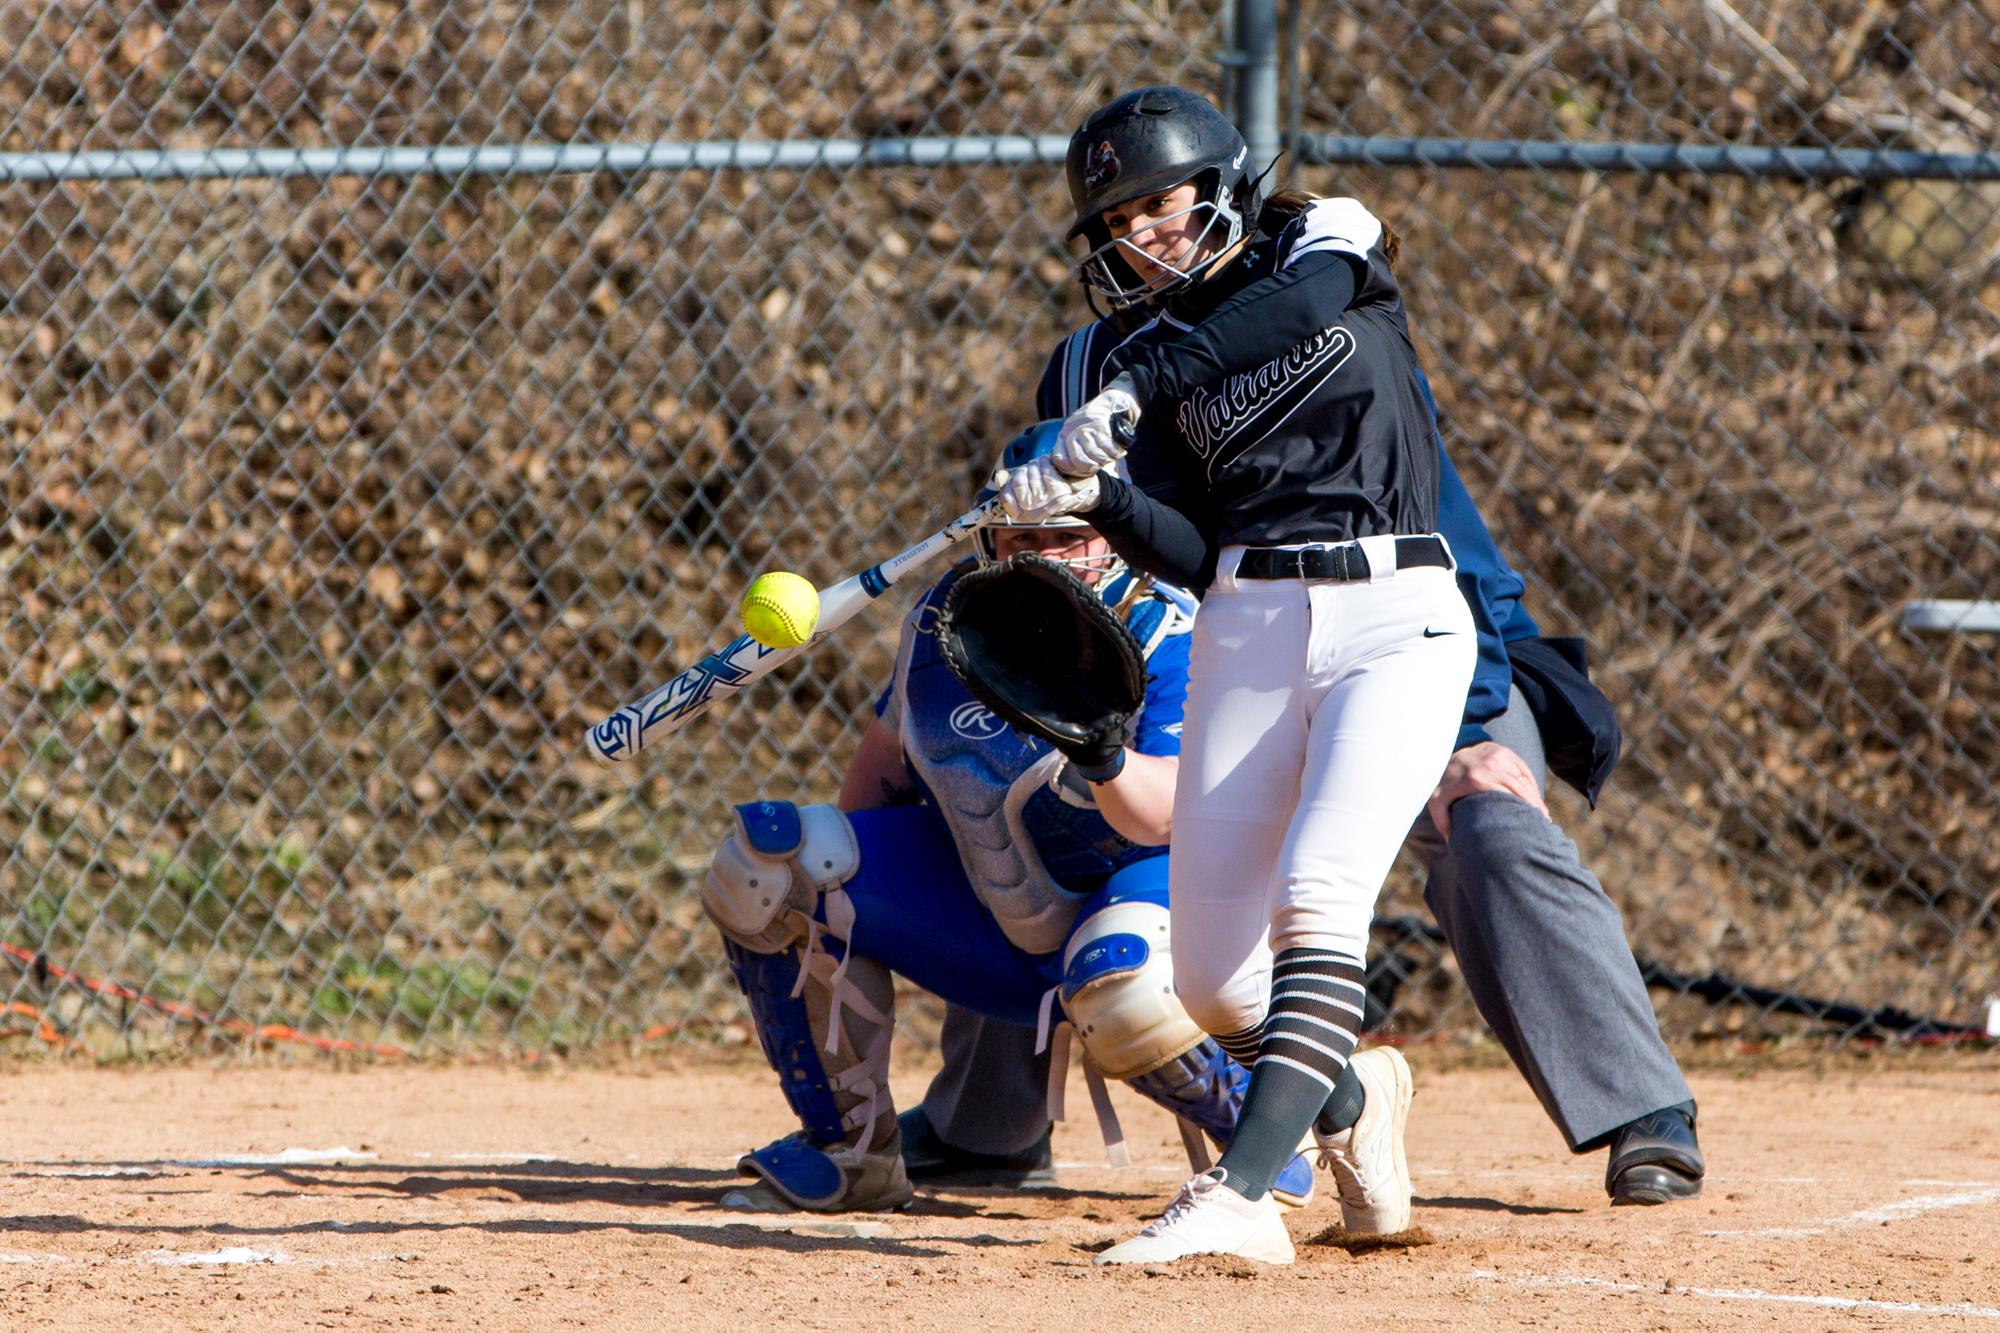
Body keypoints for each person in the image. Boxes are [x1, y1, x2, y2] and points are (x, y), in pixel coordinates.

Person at [905, 353, 1707, 1215]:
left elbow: (1450, 568)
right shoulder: (1104, 370)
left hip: (1424, 640)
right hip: (1234, 648)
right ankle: (984, 1124)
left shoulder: (1339, 362)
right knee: (1032, 770)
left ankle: (1639, 1108)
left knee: (1483, 813)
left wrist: (1463, 733)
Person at [998, 85, 1480, 1267]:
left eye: (1156, 202)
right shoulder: (1147, 361)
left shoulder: (1332, 238)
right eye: (1116, 221)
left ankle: (1242, 1195)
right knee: (1212, 982)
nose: (1139, 234)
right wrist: (1096, 494)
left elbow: (1288, 310)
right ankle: (1358, 1104)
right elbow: (1200, 548)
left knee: (1318, 896)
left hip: (1392, 614)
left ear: (1220, 183)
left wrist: (1131, 387)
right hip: (1248, 625)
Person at [698, 421, 1317, 1214]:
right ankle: (849, 1151)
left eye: (1064, 539)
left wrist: (1101, 755)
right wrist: (846, 918)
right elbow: (883, 762)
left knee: (1121, 979)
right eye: (1019, 534)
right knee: (773, 861)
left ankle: (1264, 1130)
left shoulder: (1174, 628)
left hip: (1147, 904)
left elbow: (1163, 817)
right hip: (996, 913)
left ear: (1119, 533)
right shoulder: (947, 618)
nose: (1035, 556)